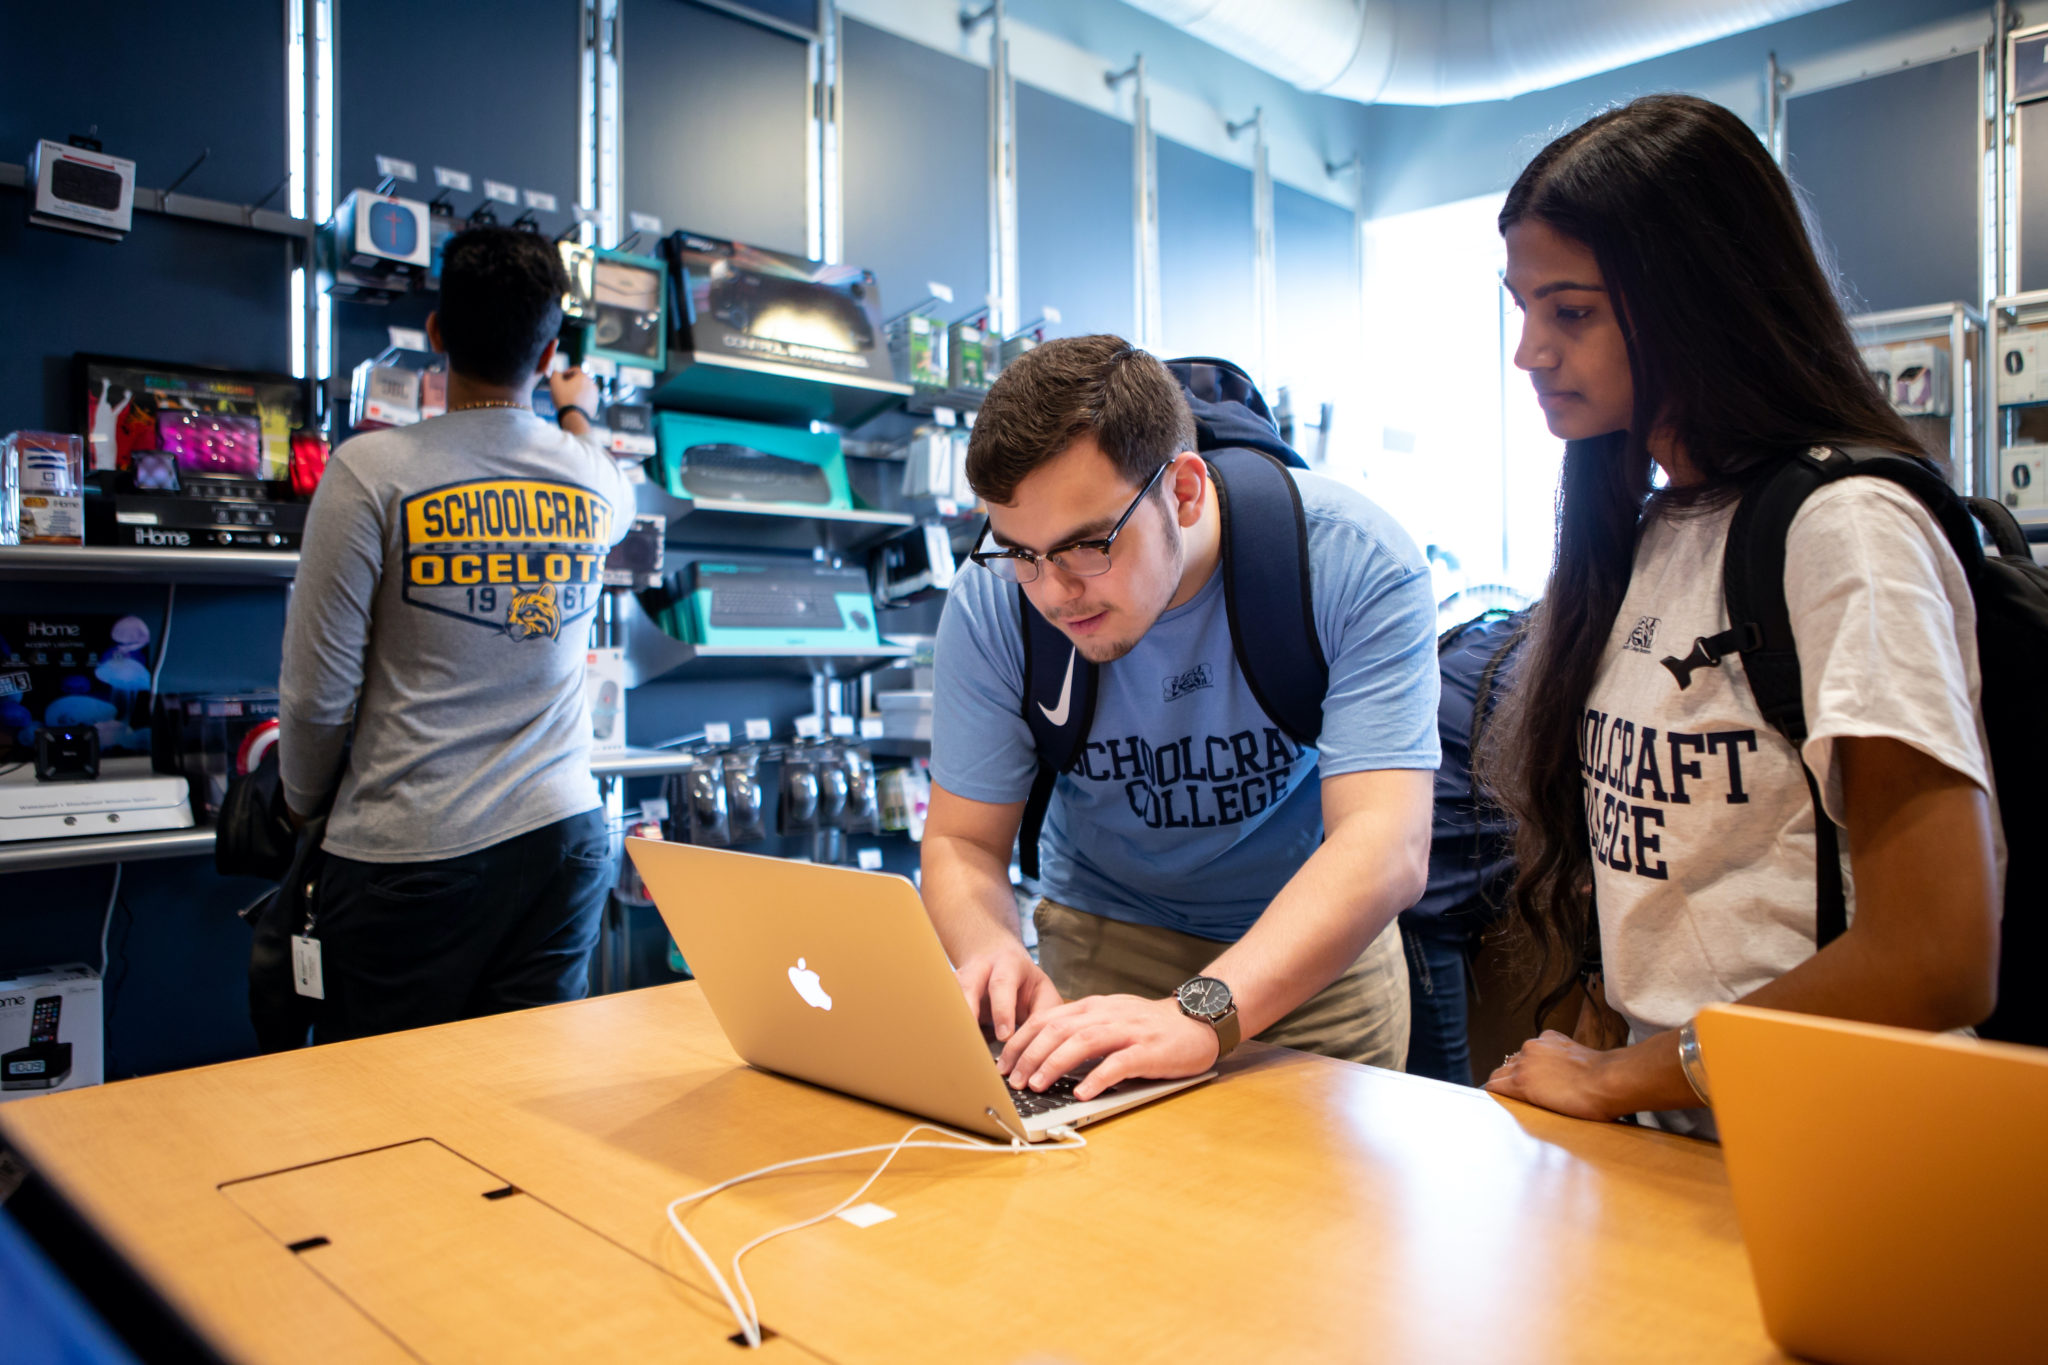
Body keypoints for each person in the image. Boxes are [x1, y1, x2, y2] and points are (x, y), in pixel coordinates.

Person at [1477, 95, 2001, 1133]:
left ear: (1695, 302)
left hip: (1844, 1140)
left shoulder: (1845, 530)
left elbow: (1934, 955)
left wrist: (1626, 1078)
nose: (1527, 352)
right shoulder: (1648, 523)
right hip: (1684, 1139)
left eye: (1569, 312)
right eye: (1521, 306)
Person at [921, 335, 1439, 1103]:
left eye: (1086, 546)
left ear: (1186, 492)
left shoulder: (1352, 561)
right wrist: (990, 949)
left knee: (1326, 1214)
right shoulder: (991, 601)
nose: (1056, 592)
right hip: (1103, 941)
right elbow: (962, 838)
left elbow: (1385, 844)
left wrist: (1200, 1011)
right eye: (1021, 553)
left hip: (1313, 956)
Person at [278, 226, 633, 1041]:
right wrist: (575, 407)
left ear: (437, 335)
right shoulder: (596, 482)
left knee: (383, 1118)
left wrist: (303, 806)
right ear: (546, 356)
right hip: (564, 841)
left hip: (409, 850)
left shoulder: (368, 473)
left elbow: (316, 694)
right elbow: (591, 463)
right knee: (527, 1109)